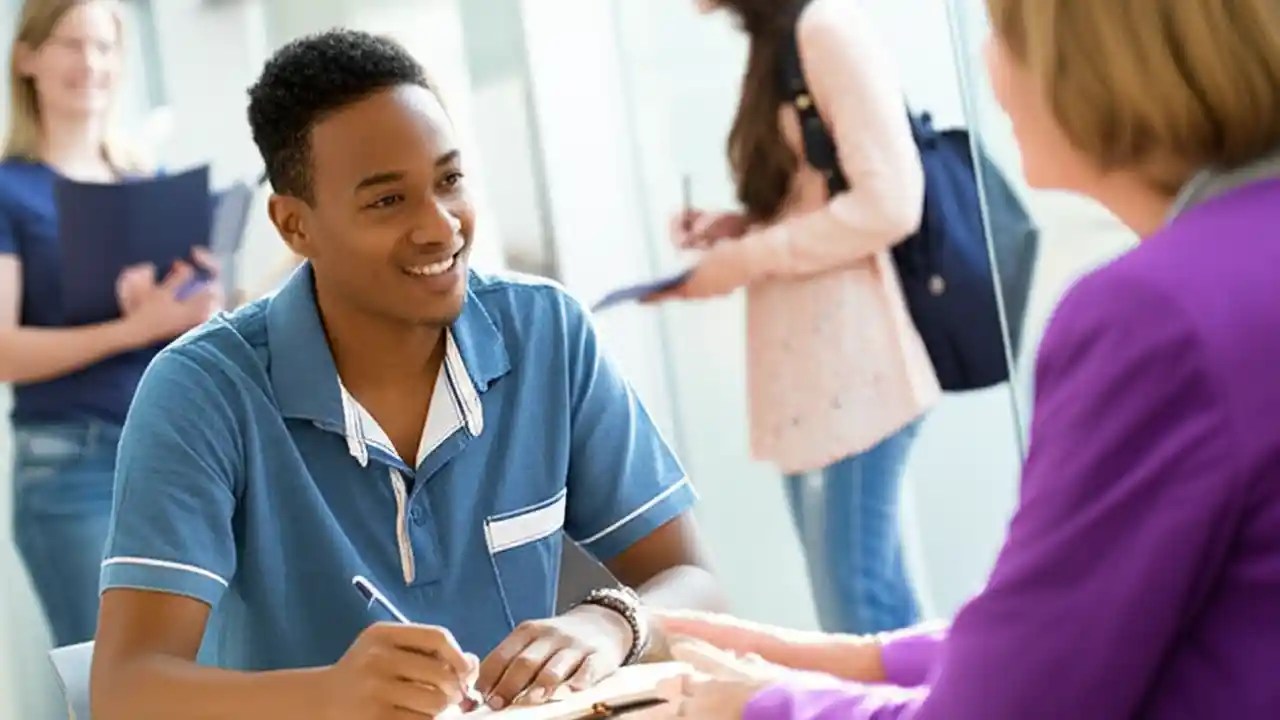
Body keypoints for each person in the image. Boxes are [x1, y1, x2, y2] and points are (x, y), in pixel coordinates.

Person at [660, 0, 1280, 717]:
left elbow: (1005, 706)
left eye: (1004, 33)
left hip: (849, 373)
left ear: (1098, 65)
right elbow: (1071, 627)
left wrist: (759, 704)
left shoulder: (1156, 318)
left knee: (856, 579)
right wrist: (849, 660)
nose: (985, 63)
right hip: (813, 378)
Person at [90, 29, 724, 720]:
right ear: (294, 226)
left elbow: (694, 583)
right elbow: (128, 690)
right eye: (388, 201)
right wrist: (331, 694)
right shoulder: (201, 392)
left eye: (449, 181)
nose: (440, 227)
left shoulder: (547, 333)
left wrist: (612, 621)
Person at [651, 0, 938, 635]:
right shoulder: (779, 39)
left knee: (860, 616)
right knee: (866, 612)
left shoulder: (824, 28)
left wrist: (745, 258)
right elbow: (822, 199)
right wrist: (739, 229)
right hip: (812, 384)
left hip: (856, 378)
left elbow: (891, 203)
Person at [0, 0, 221, 648]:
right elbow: (4, 352)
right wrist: (133, 327)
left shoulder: (144, 181)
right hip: (73, 468)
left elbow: (183, 335)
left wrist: (193, 309)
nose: (90, 63)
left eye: (104, 46)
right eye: (71, 44)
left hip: (175, 455)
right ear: (27, 58)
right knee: (113, 686)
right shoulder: (10, 191)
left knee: (205, 681)